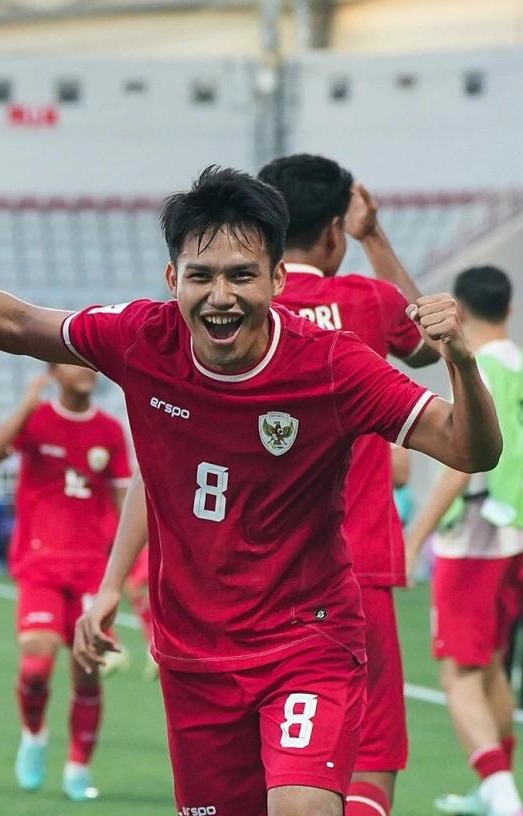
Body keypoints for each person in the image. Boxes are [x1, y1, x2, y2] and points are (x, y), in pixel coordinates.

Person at [0, 166, 500, 816]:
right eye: (203, 276)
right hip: (195, 656)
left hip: (308, 637)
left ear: (277, 281)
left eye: (242, 275)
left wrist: (461, 361)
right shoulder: (142, 340)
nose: (221, 296)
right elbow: (13, 323)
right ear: (172, 279)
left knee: (309, 805)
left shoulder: (332, 362)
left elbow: (471, 448)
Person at [260, 153, 440, 816]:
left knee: (265, 764)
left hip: (252, 580)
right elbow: (427, 340)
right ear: (334, 230)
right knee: (366, 759)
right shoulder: (367, 301)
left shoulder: (245, 309)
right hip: (355, 566)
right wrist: (374, 237)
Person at [0, 364, 131, 800]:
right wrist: (26, 405)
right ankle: (34, 735)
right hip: (40, 564)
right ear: (53, 371)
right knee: (37, 665)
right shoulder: (36, 421)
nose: (86, 370)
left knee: (86, 676)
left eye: (89, 363)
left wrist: (134, 574)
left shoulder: (110, 430)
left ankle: (78, 768)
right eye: (73, 362)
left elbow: (124, 505)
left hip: (91, 572)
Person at [404, 266, 522, 816]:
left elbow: (466, 456)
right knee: (492, 663)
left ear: (465, 312)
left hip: (477, 535)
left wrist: (415, 535)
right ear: (510, 308)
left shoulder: (486, 366)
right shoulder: (519, 362)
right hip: (511, 535)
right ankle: (498, 784)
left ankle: (501, 792)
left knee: (458, 670)